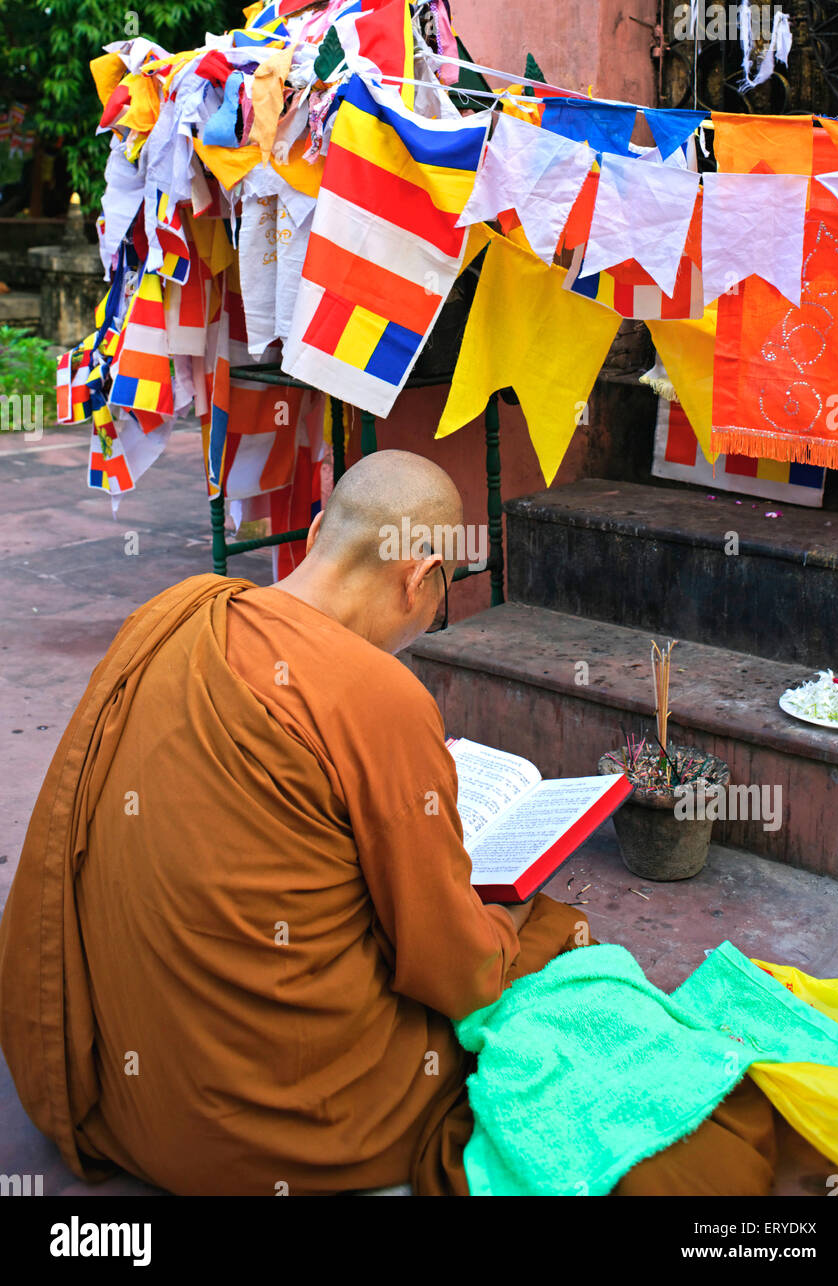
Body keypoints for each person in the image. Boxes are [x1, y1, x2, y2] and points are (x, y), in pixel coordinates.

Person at [0, 450, 776, 1196]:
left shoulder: (172, 620)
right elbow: (451, 971)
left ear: (312, 536)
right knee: (544, 940)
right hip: (265, 1128)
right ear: (420, 578)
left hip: (116, 1088)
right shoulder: (375, 694)